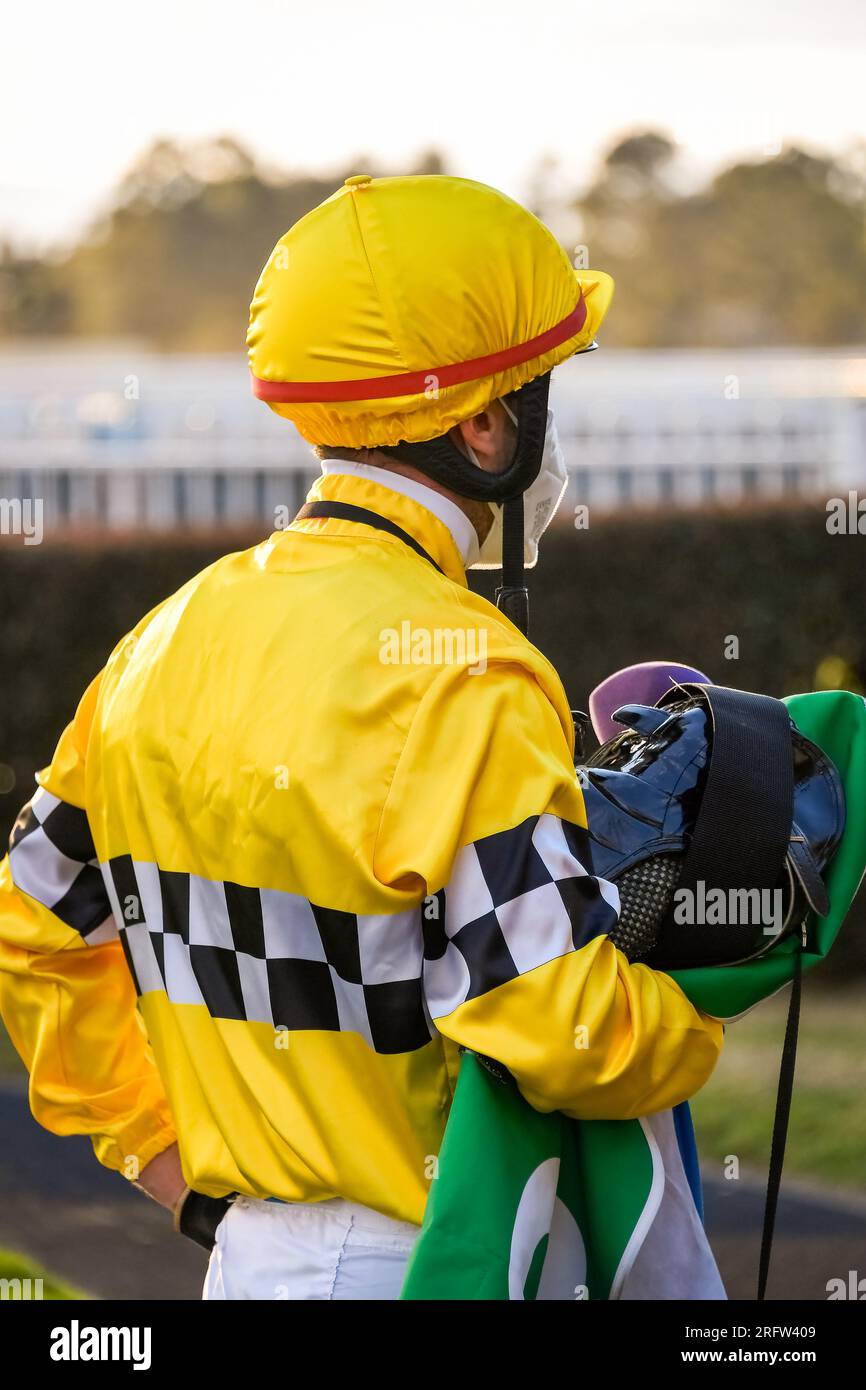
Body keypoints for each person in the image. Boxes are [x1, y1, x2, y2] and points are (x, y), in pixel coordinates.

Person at [0, 174, 723, 1300]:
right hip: (449, 1254)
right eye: (540, 394)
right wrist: (710, 1002)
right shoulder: (470, 668)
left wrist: (172, 1170)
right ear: (485, 427)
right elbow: (553, 1017)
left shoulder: (158, 640)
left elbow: (33, 926)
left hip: (247, 1260)